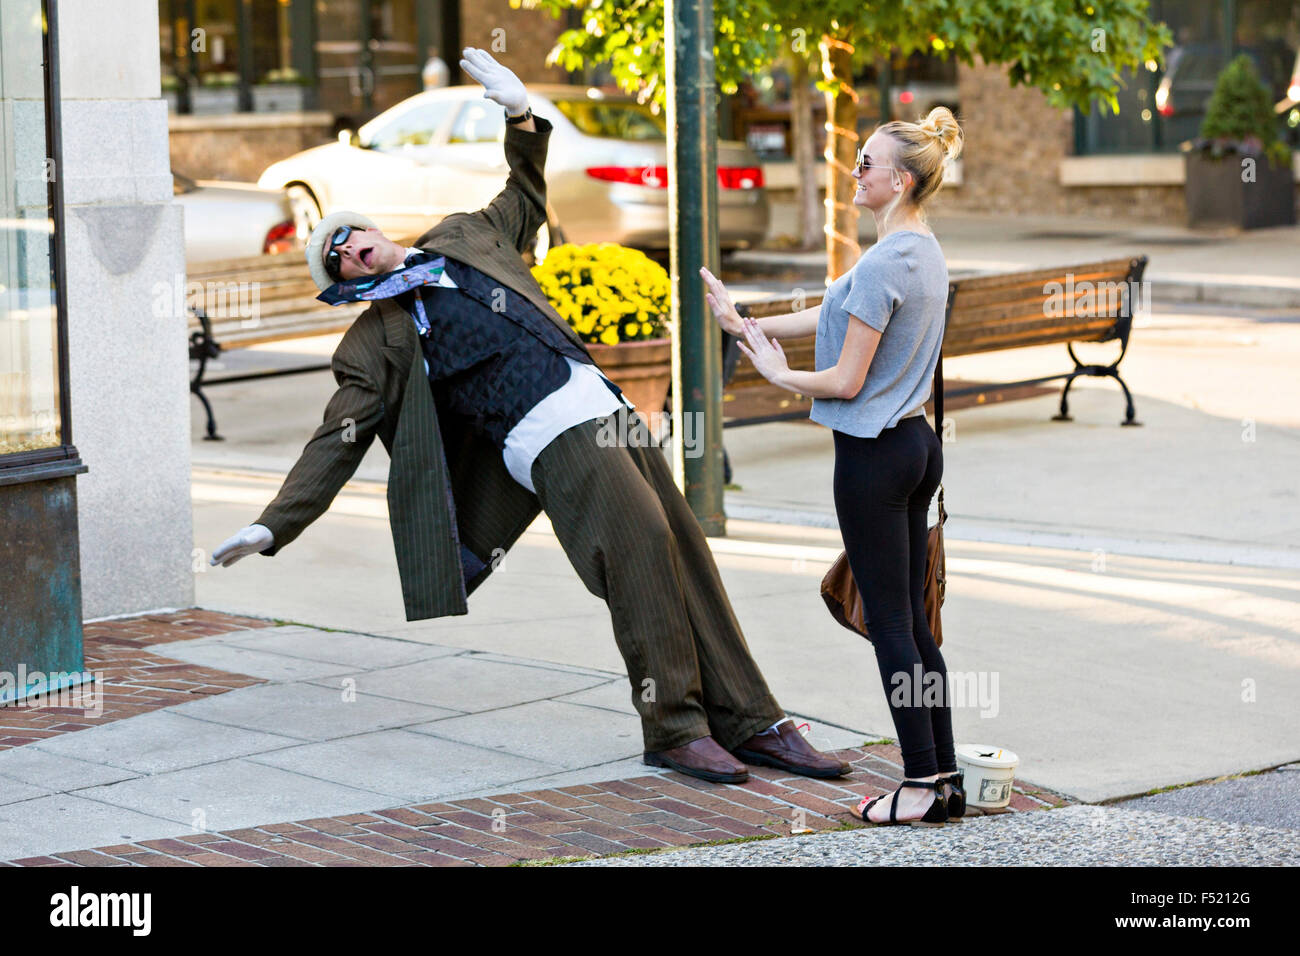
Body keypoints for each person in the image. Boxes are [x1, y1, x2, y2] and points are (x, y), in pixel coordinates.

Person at [209, 47, 848, 786]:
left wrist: (520, 114)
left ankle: (752, 720)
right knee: (636, 547)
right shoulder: (373, 340)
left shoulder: (460, 237)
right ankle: (674, 726)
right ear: (344, 284)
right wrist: (274, 522)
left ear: (378, 229)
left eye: (353, 234)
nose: (353, 248)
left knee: (683, 547)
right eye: (339, 257)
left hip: (599, 402)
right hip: (543, 433)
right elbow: (338, 438)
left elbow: (525, 190)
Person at [700, 106, 964, 824]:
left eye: (867, 164)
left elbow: (845, 378)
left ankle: (917, 786)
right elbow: (837, 311)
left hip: (875, 460)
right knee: (912, 621)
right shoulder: (921, 249)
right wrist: (746, 323)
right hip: (914, 446)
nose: (856, 173)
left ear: (900, 180)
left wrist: (779, 375)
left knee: (893, 627)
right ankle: (942, 778)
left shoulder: (887, 261)